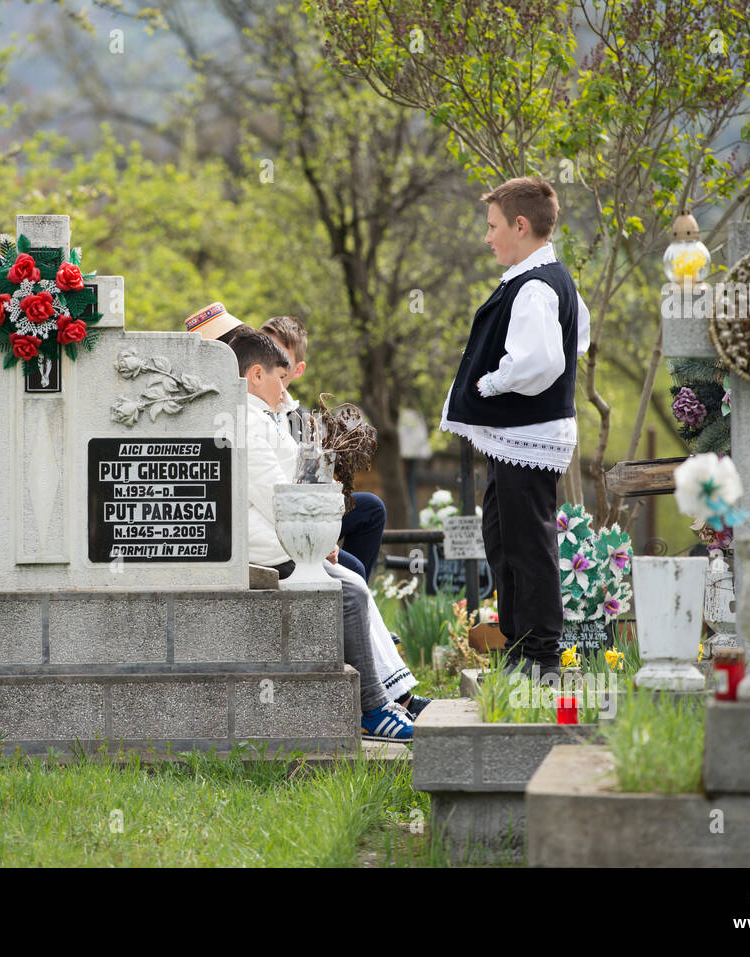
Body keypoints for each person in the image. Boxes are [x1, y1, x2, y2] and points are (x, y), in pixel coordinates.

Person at [230, 330, 426, 742]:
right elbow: (277, 497)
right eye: (279, 380)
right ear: (255, 376)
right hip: (268, 547)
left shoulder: (260, 417)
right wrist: (317, 541)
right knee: (351, 591)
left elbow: (296, 479)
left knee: (354, 581)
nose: (285, 390)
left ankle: (391, 695)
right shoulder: (246, 421)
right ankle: (372, 709)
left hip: (283, 539)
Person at [441, 176, 591, 680]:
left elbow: (545, 359)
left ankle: (540, 655)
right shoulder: (544, 278)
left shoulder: (534, 286)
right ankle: (520, 644)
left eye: (492, 226)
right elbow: (581, 338)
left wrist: (492, 384)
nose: (487, 237)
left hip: (531, 432)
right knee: (503, 535)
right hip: (520, 435)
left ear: (520, 225)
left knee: (527, 541)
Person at [260, 315, 387, 583]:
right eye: (265, 353)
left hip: (306, 506)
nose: (270, 365)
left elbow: (314, 481)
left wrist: (324, 532)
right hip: (278, 516)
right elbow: (268, 489)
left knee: (371, 509)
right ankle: (345, 587)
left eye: (281, 360)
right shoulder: (255, 411)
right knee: (354, 572)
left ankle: (343, 589)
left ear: (297, 370)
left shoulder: (299, 418)